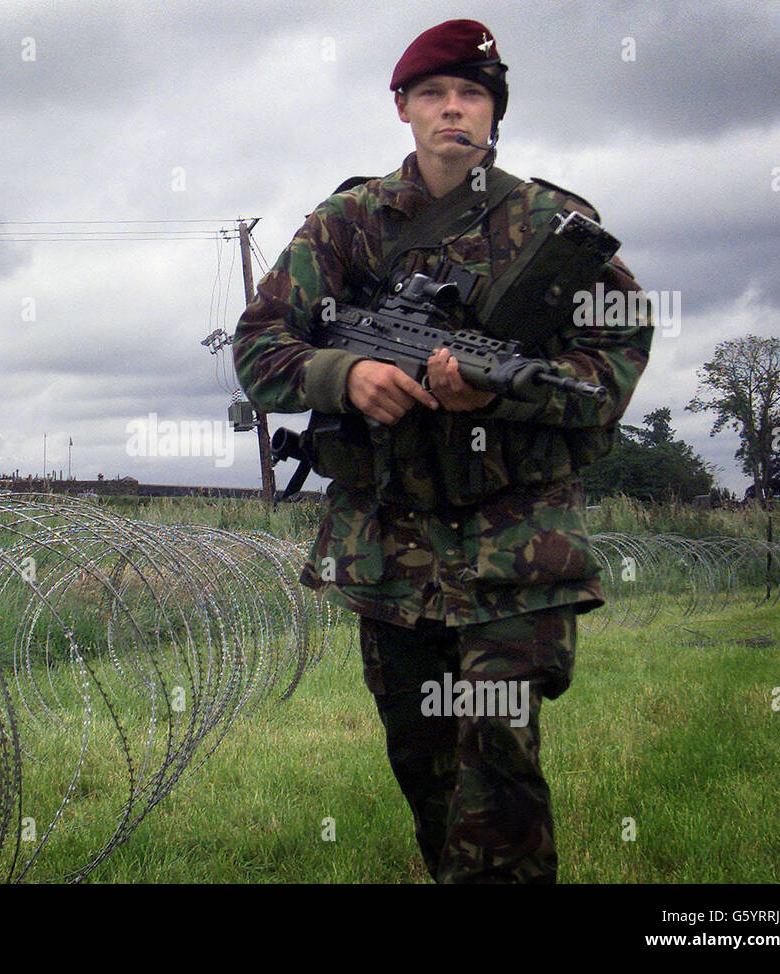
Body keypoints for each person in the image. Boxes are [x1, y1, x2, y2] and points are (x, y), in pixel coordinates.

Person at [232, 18, 652, 883]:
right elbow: (259, 347)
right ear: (403, 108)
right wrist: (342, 376)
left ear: (494, 112)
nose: (453, 110)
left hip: (516, 545)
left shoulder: (553, 228)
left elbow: (613, 360)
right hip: (389, 546)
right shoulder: (346, 225)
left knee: (496, 758)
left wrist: (503, 385)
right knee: (424, 764)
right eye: (434, 94)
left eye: (472, 95)